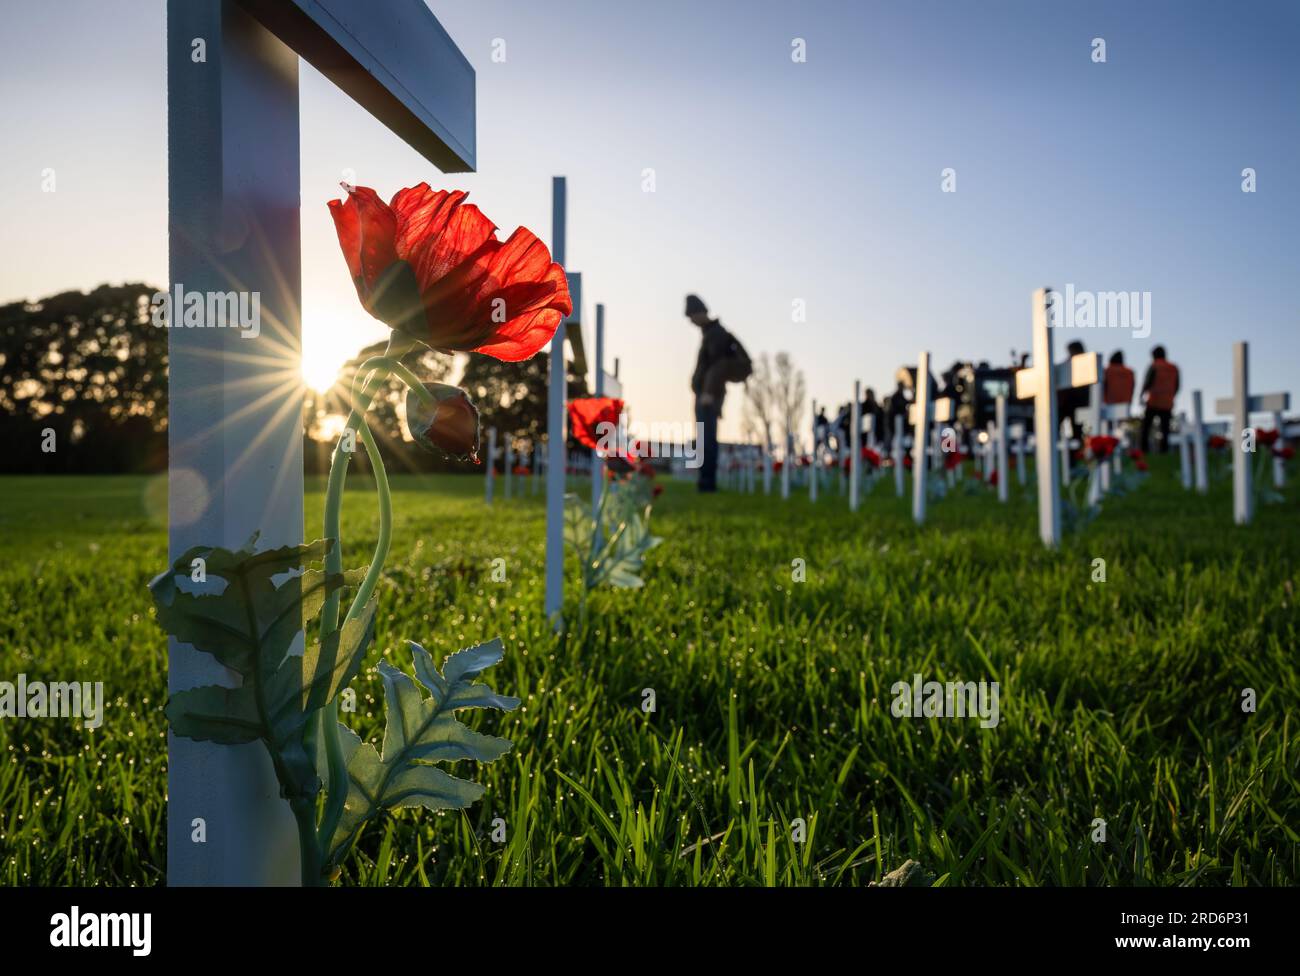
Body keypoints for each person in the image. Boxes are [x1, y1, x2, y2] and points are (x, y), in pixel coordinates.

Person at [687, 294, 752, 492]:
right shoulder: (710, 333)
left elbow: (717, 367)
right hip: (706, 395)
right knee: (704, 439)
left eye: (692, 316)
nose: (691, 321)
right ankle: (705, 482)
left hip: (708, 397)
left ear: (700, 312)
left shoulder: (716, 334)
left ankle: (707, 484)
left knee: (706, 441)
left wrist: (708, 393)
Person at [1140, 345, 1180, 453]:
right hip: (1167, 402)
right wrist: (1171, 396)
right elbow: (1177, 385)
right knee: (1165, 430)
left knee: (1146, 428)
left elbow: (1147, 382)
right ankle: (1164, 451)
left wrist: (1141, 396)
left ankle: (1144, 450)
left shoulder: (1154, 366)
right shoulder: (1173, 367)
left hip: (1153, 401)